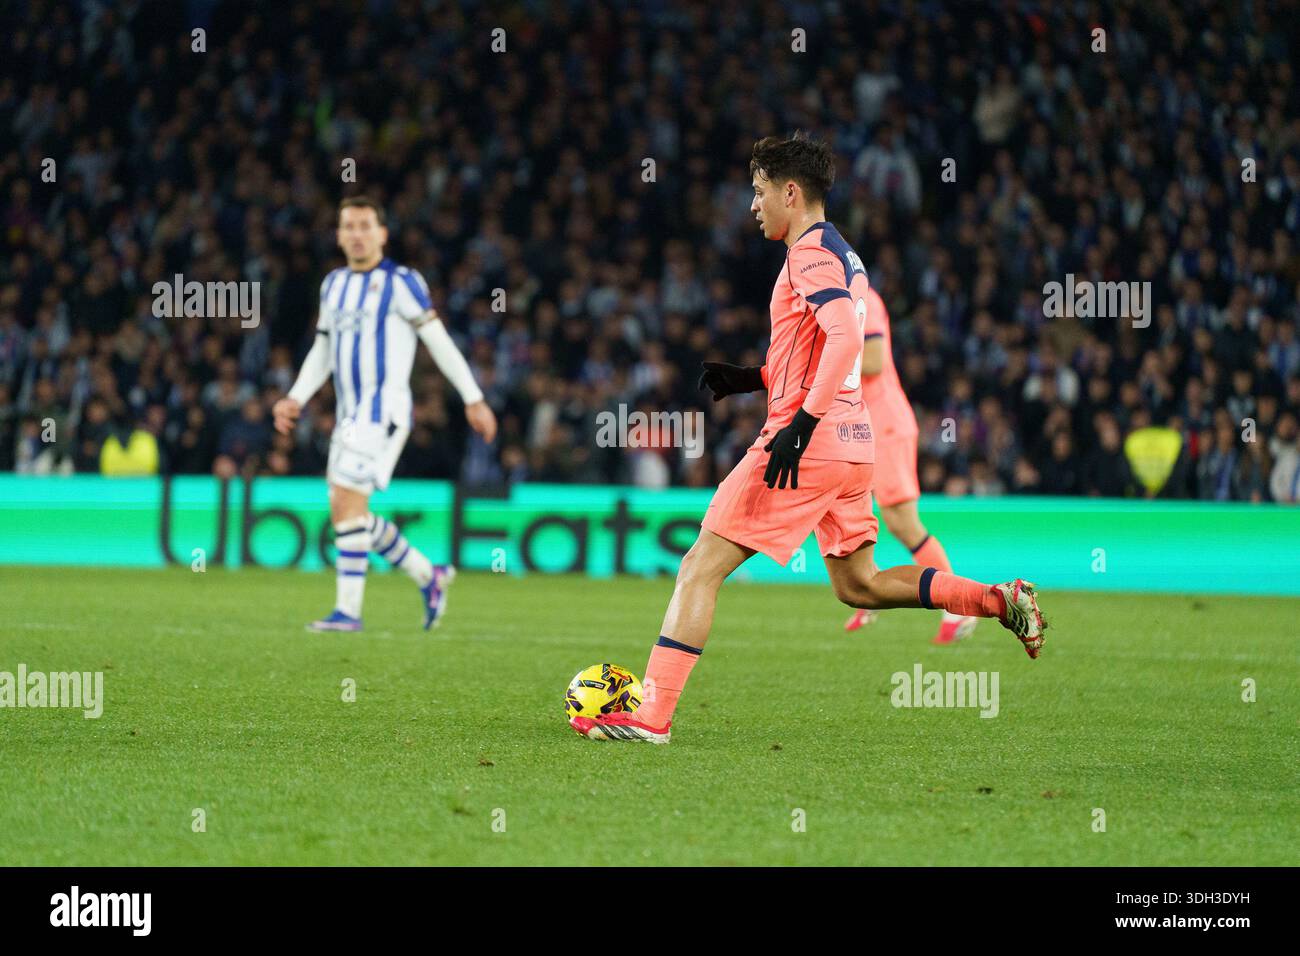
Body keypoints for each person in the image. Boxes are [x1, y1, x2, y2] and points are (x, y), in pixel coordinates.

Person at [571, 134, 1047, 744]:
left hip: (810, 443)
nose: (753, 206)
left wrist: (800, 424)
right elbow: (822, 350)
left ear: (789, 192)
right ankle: (998, 600)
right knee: (861, 585)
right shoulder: (846, 257)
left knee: (698, 567)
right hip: (854, 444)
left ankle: (652, 716)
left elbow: (848, 341)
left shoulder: (808, 254)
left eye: (759, 191)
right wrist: (754, 377)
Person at [272, 197, 497, 632]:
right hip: (350, 414)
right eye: (348, 226)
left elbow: (438, 340)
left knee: (346, 502)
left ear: (381, 234)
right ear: (339, 235)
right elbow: (323, 349)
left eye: (364, 226)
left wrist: (473, 397)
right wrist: (296, 396)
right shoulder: (333, 284)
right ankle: (428, 576)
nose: (356, 233)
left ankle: (348, 614)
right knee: (346, 510)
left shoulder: (401, 282)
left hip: (384, 411)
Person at [842, 287, 980, 645]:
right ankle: (864, 588)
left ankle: (958, 604)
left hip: (884, 424)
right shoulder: (837, 297)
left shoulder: (863, 299)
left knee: (903, 522)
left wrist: (820, 363)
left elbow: (873, 360)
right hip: (855, 426)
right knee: (849, 509)